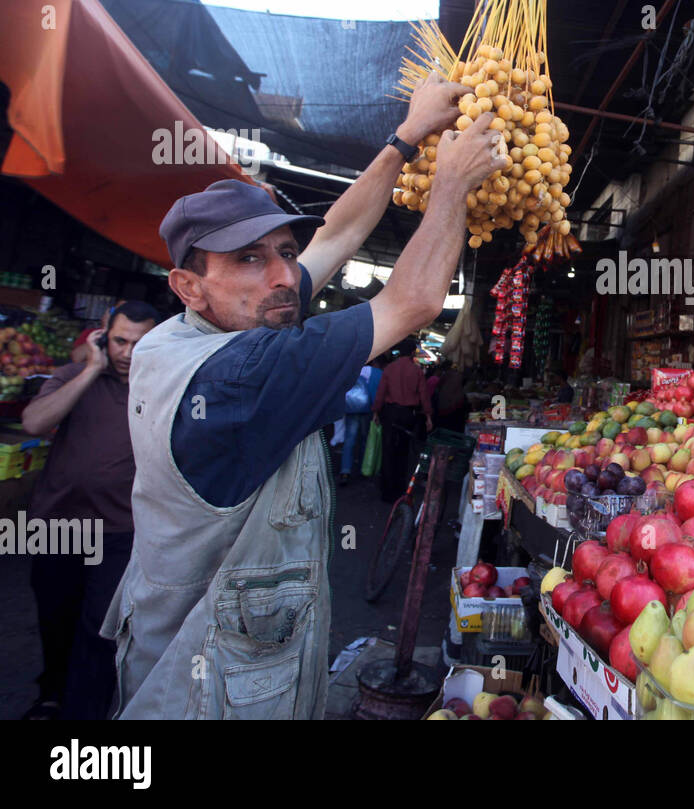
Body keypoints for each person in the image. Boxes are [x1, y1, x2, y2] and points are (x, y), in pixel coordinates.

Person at [99, 74, 500, 719]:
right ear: (187, 285)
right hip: (207, 694)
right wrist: (451, 183)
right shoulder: (242, 373)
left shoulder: (194, 329)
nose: (286, 275)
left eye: (284, 252)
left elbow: (337, 236)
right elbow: (415, 301)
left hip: (190, 652)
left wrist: (405, 137)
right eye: (250, 259)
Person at [20, 300, 159, 720]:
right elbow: (34, 424)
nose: (127, 353)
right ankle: (52, 695)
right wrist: (89, 370)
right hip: (58, 526)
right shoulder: (72, 376)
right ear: (102, 335)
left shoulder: (158, 385)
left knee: (100, 627)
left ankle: (82, 714)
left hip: (120, 531)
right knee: (55, 616)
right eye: (119, 341)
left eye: (139, 343)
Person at [372, 340, 433, 501]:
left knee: (388, 451)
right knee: (403, 452)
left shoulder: (389, 369)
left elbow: (381, 393)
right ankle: (399, 490)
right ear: (413, 352)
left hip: (390, 414)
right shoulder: (417, 371)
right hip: (408, 416)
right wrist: (428, 416)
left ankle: (386, 491)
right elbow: (424, 396)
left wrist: (376, 412)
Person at [338, 357, 382, 486]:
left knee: (349, 439)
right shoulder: (377, 373)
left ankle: (345, 471)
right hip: (367, 410)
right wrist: (376, 412)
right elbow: (377, 394)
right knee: (365, 439)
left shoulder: (352, 370)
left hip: (351, 408)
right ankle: (363, 468)